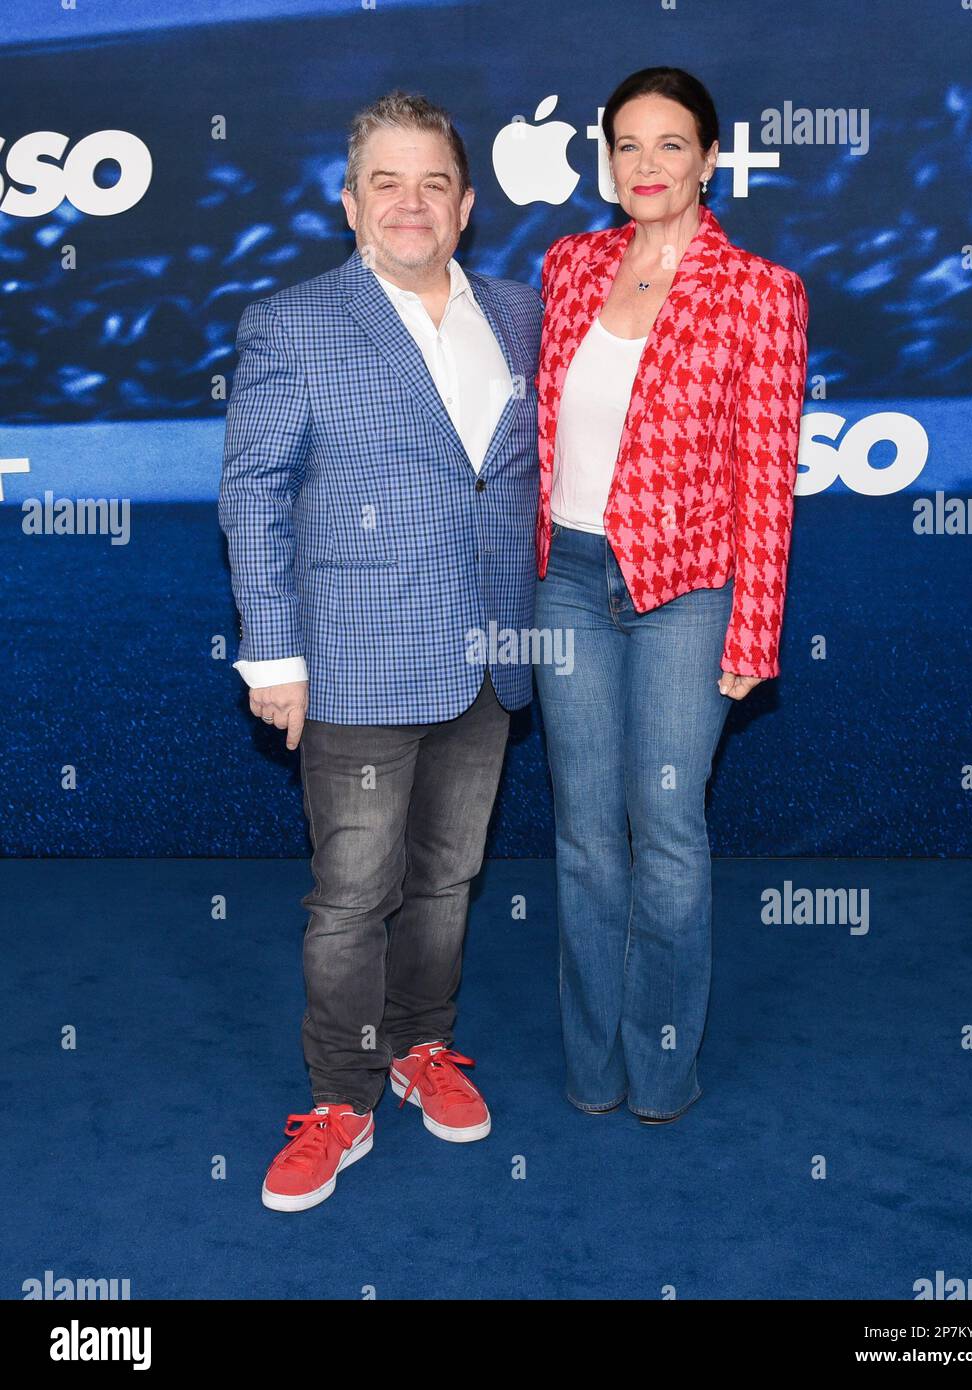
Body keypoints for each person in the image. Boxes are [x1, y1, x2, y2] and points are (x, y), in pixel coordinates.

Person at [218, 91, 542, 1210]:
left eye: (434, 183)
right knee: (352, 895)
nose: (412, 203)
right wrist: (273, 655)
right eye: (387, 183)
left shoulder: (518, 312)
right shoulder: (291, 321)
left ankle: (420, 1044)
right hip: (353, 656)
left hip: (491, 649)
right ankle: (342, 1095)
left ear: (464, 206)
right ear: (350, 202)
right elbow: (252, 493)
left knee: (447, 879)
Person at [534, 66, 809, 1124]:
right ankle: (589, 1062)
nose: (645, 166)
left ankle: (658, 1065)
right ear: (606, 161)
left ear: (706, 159)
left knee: (664, 826)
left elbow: (764, 479)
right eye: (627, 146)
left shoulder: (759, 291)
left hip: (687, 588)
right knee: (582, 833)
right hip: (563, 578)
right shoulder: (568, 265)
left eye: (668, 144)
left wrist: (755, 625)